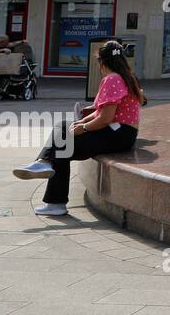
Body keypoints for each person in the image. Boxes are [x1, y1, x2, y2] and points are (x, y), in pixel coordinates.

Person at [13, 39, 145, 217]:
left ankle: (54, 197)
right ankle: (44, 164)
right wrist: (80, 123)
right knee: (63, 127)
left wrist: (83, 128)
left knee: (62, 146)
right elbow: (102, 112)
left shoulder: (111, 79)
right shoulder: (127, 77)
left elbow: (105, 118)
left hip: (116, 133)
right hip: (122, 133)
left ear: (102, 62)